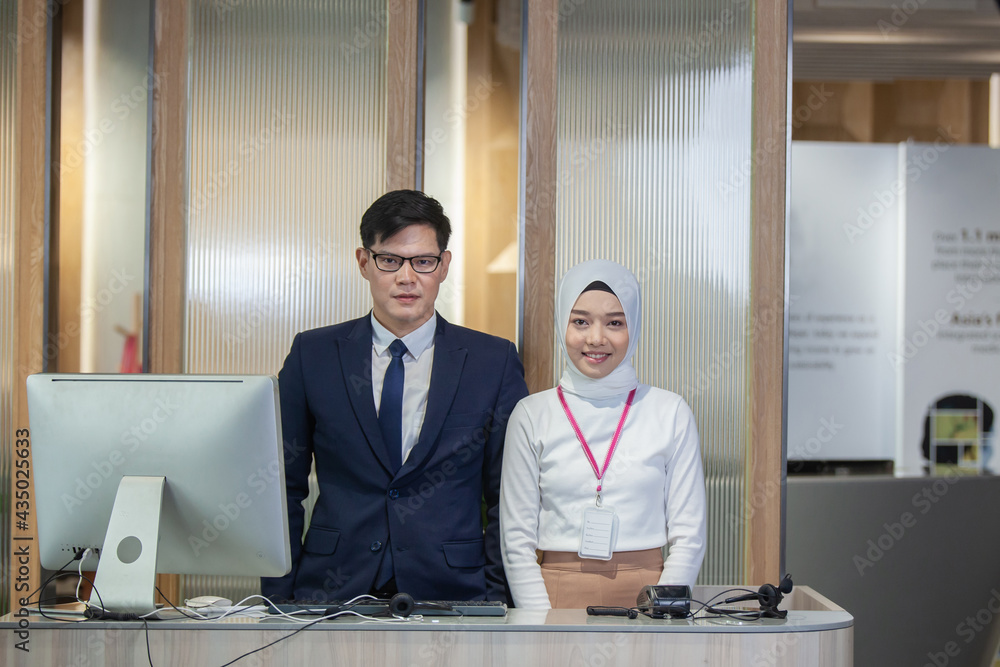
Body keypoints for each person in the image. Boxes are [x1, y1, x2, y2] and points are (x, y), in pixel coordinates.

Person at [261, 190, 528, 604]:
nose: (407, 277)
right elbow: (282, 486)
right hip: (331, 591)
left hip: (454, 593)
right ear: (363, 262)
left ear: (444, 266)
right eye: (390, 260)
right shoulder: (313, 355)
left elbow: (507, 497)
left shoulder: (492, 361)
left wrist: (496, 599)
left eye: (423, 261)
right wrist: (279, 601)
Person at [499, 259, 706, 609]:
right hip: (554, 593)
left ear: (634, 327)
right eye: (580, 321)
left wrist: (665, 608)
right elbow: (516, 540)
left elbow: (690, 535)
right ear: (562, 324)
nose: (596, 338)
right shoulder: (532, 414)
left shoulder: (670, 412)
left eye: (614, 323)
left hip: (649, 592)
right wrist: (538, 621)